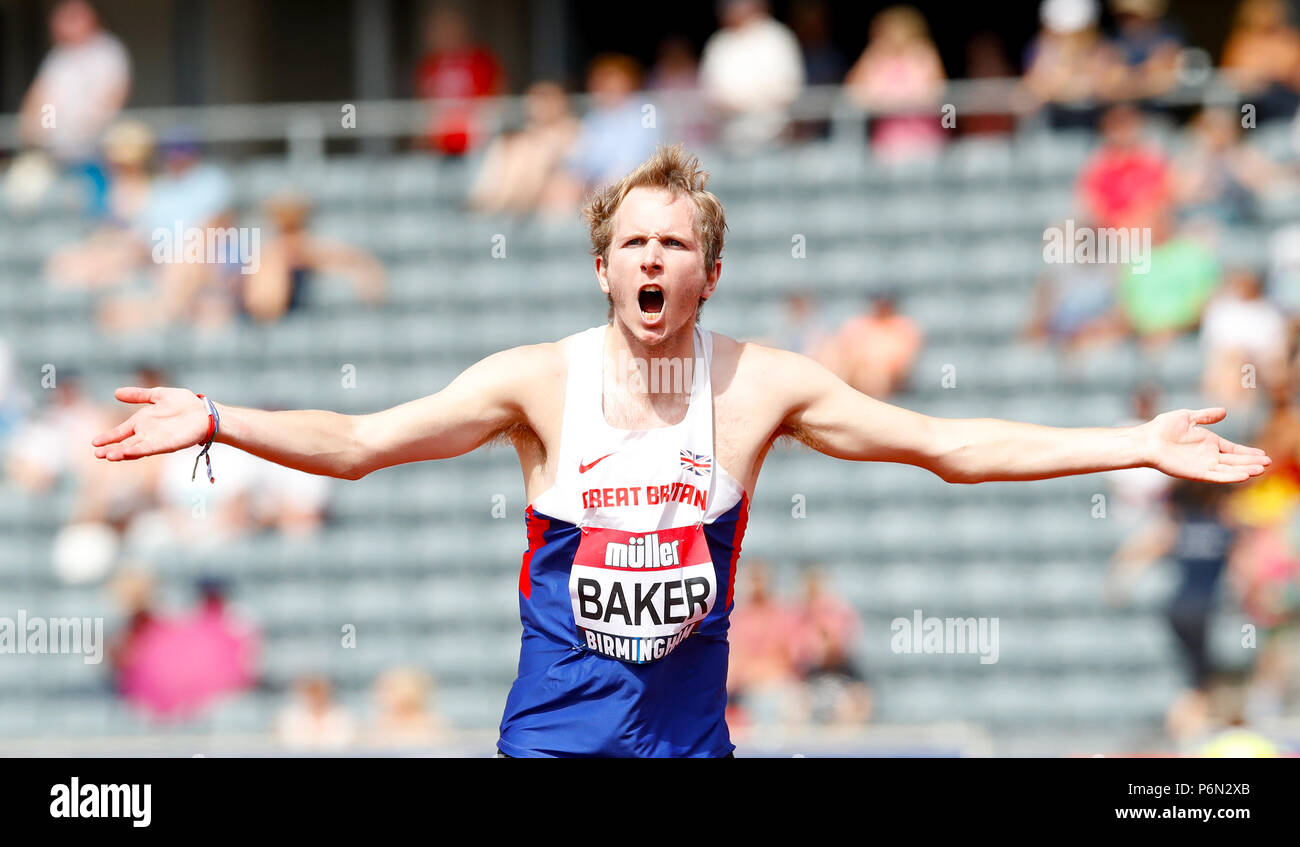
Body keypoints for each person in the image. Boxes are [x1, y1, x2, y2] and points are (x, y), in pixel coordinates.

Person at [92, 145, 1272, 758]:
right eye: (634, 242)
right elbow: (354, 441)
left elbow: (948, 446)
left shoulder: (762, 384)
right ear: (601, 266)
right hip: (553, 743)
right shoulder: (536, 381)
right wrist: (217, 414)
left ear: (710, 269)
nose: (653, 260)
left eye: (676, 243)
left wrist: (1133, 441)